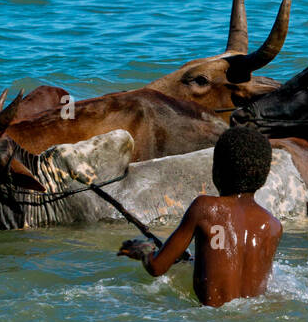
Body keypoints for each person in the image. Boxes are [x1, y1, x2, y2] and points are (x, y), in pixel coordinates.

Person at [118, 127, 282, 307]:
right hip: (253, 321)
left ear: (217, 169)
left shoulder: (205, 207)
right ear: (264, 175)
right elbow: (241, 267)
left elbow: (157, 267)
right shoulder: (272, 225)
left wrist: (143, 251)